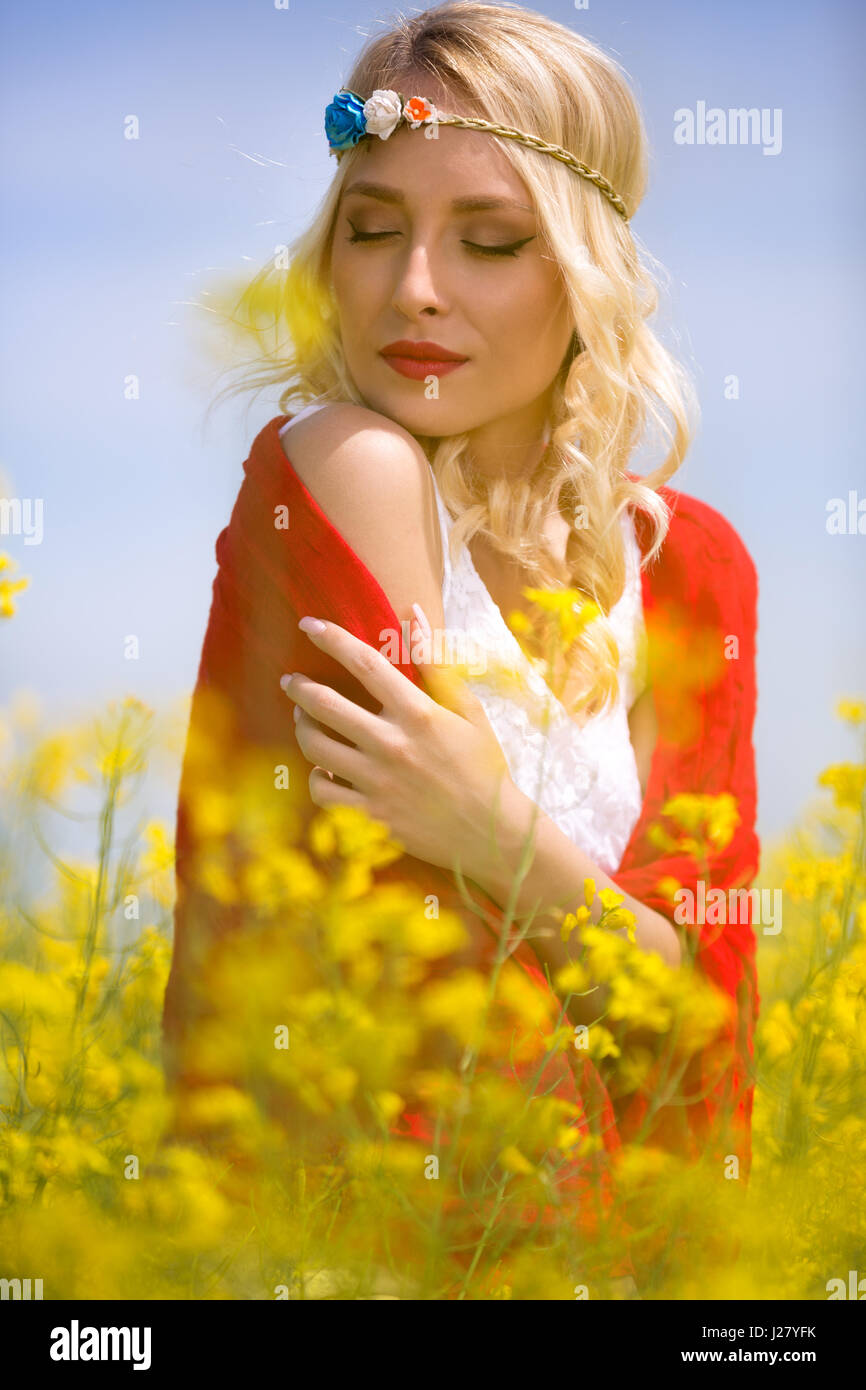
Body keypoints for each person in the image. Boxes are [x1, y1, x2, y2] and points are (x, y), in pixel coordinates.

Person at [161, 1, 761, 1281]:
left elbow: (703, 1012)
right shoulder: (343, 467)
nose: (412, 287)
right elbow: (414, 988)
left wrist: (491, 827)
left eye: (488, 240)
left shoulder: (694, 569)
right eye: (370, 230)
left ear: (586, 268)